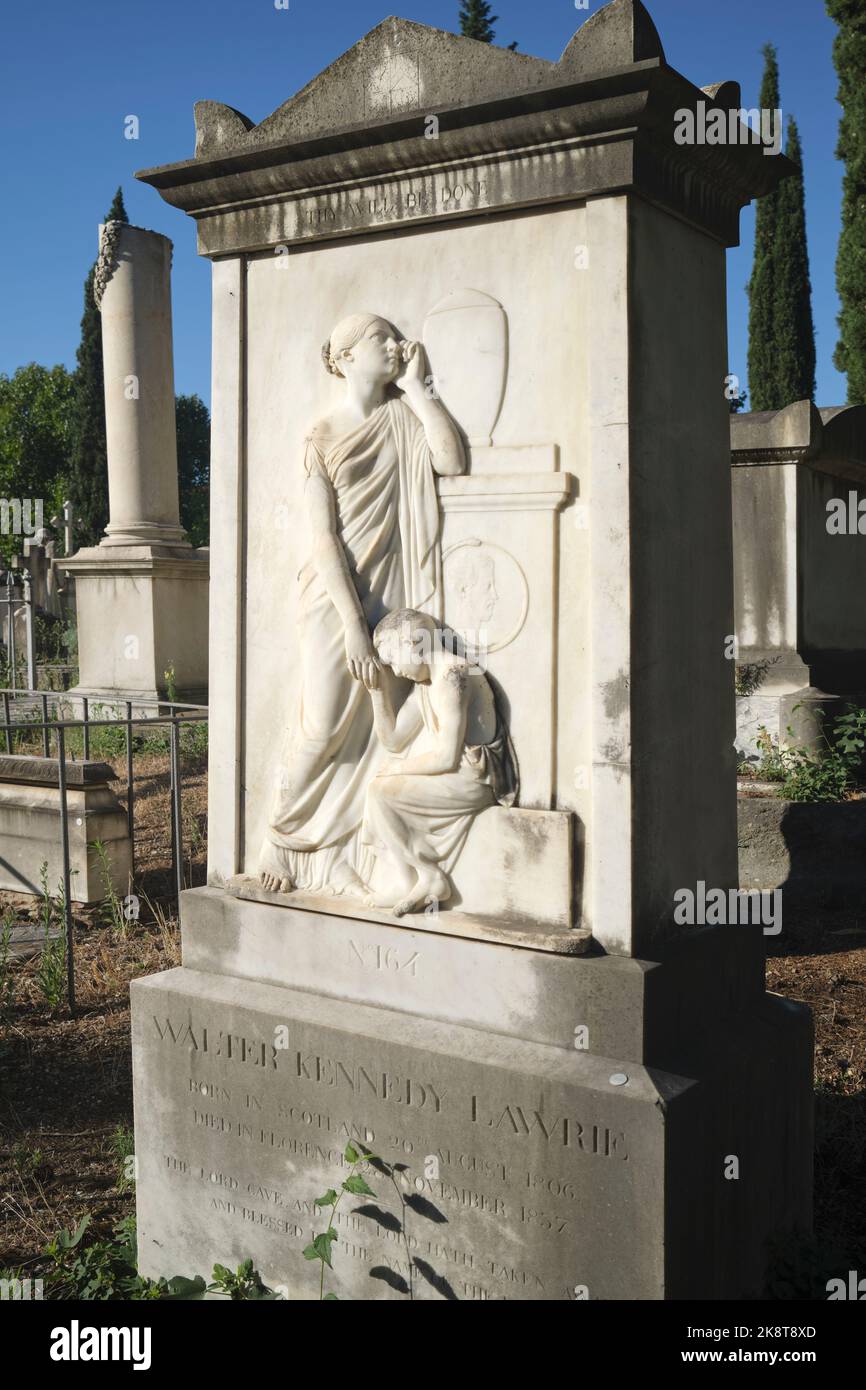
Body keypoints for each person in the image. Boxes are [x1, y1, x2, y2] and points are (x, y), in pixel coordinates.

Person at [259, 313, 464, 897]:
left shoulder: (403, 418)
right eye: (381, 338)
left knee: (375, 731)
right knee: (323, 726)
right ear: (347, 356)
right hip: (333, 602)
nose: (396, 345)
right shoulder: (320, 435)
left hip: (392, 597)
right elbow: (323, 539)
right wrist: (352, 625)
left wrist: (421, 392)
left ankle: (339, 859)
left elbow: (449, 459)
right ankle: (284, 837)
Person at [361, 608, 518, 916]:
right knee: (379, 788)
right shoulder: (428, 683)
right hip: (457, 773)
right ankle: (406, 879)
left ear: (413, 643)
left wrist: (398, 768)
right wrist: (377, 693)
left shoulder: (453, 674)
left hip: (476, 777)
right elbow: (393, 740)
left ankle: (429, 876)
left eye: (392, 657)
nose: (393, 669)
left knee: (381, 791)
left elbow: (447, 757)